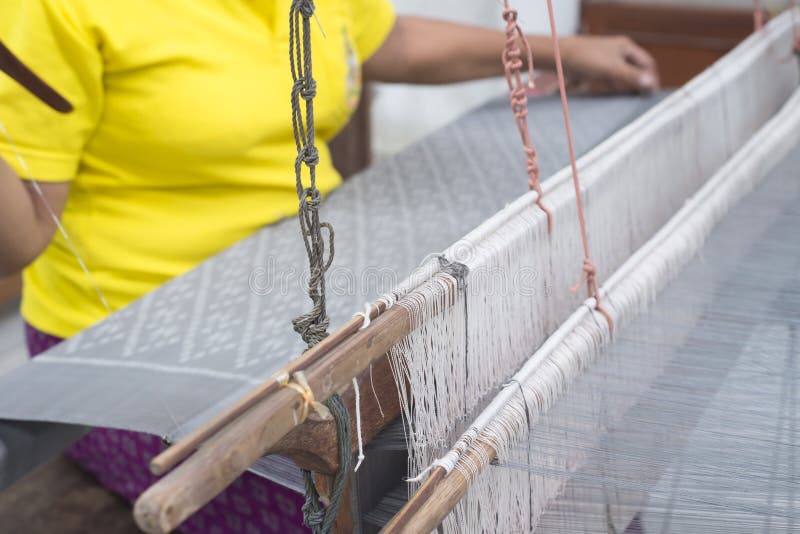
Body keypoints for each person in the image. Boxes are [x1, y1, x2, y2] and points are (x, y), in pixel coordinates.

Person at [0, 1, 658, 531]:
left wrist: (557, 51)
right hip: (137, 349)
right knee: (343, 508)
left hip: (300, 296)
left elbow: (388, 40)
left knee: (546, 460)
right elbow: (21, 235)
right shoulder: (55, 9)